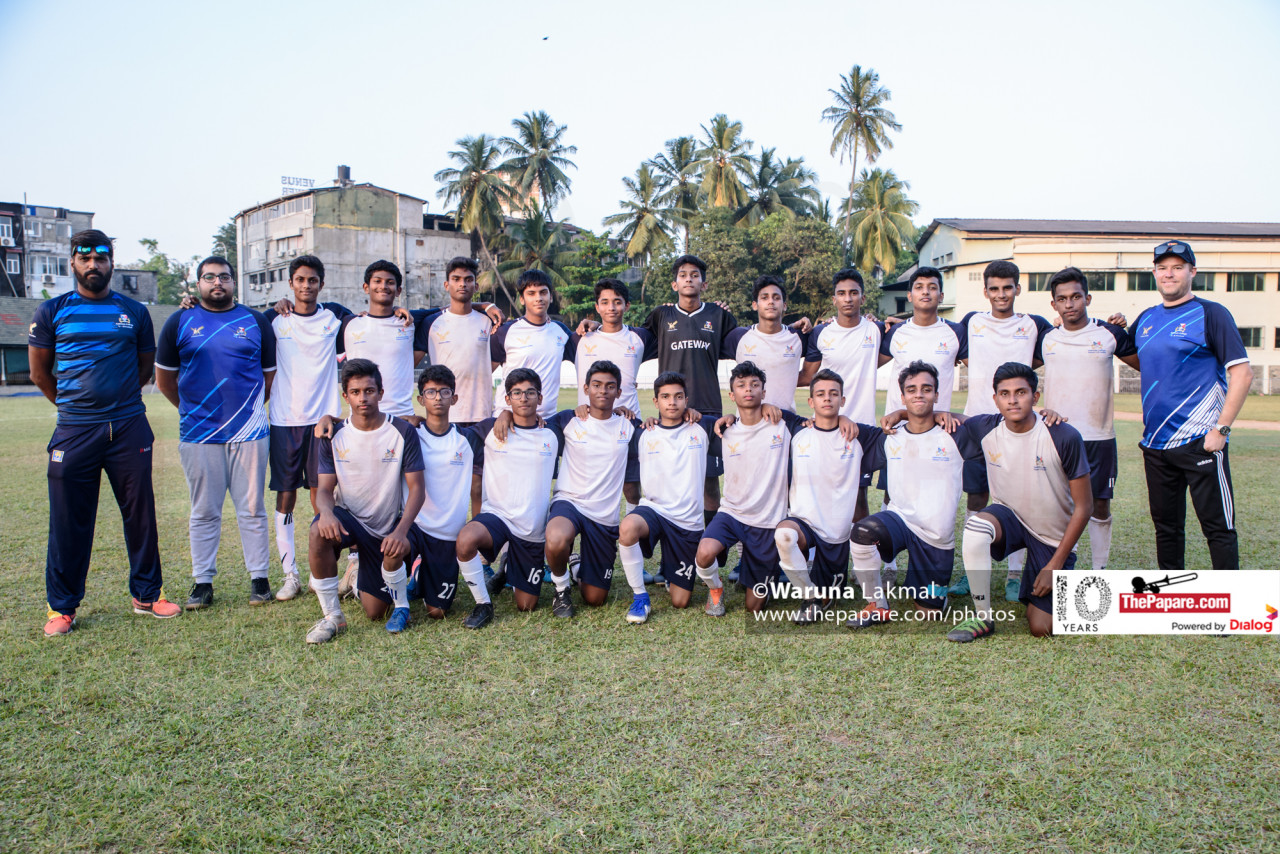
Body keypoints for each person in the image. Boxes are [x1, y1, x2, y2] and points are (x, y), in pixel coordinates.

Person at [28, 229, 178, 636]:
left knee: (140, 514)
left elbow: (144, 368)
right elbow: (39, 373)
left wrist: (116, 404)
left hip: (128, 427)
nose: (93, 264)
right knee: (68, 520)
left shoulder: (134, 311)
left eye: (101, 257)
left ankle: (147, 595)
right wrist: (75, 408)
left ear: (111, 262)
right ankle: (62, 608)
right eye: (85, 257)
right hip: (74, 431)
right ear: (72, 263)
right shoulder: (52, 311)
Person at [155, 255, 277, 609]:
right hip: (198, 433)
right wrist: (193, 411)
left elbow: (268, 376)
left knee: (252, 508)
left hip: (249, 431)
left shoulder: (255, 321)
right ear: (198, 284)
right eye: (209, 277)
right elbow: (165, 380)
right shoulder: (180, 320)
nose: (217, 282)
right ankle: (202, 582)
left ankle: (259, 579)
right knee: (204, 511)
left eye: (224, 276)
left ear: (234, 282)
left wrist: (246, 411)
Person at [1129, 240, 1251, 571]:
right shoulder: (1147, 318)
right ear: (1155, 273)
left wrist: (1221, 429)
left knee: (1218, 530)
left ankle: (1231, 600)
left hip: (1200, 441)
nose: (1169, 274)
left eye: (1177, 267)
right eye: (1162, 268)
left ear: (1192, 271)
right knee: (1166, 530)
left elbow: (1242, 373)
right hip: (1156, 445)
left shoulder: (1211, 314)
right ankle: (1172, 598)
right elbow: (1138, 358)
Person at [949, 362, 1092, 642]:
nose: (1012, 400)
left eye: (1021, 392)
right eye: (1005, 394)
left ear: (1035, 397)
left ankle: (1056, 583)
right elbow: (946, 418)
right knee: (976, 528)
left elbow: (1085, 507)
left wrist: (1054, 566)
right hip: (1010, 519)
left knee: (1041, 627)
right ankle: (982, 617)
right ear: (995, 399)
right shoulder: (985, 427)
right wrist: (901, 413)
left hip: (1051, 536)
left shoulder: (1063, 435)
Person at [694, 362, 847, 616]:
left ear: (763, 392)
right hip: (731, 514)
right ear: (732, 395)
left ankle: (767, 571)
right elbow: (685, 415)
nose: (748, 390)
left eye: (755, 385)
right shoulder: (723, 429)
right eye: (741, 385)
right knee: (704, 553)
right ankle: (715, 588)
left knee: (753, 607)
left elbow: (821, 421)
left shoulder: (783, 423)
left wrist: (844, 418)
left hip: (767, 523)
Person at [844, 361, 976, 630]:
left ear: (936, 395)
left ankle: (934, 596)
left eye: (926, 389)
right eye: (911, 390)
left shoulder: (955, 434)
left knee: (929, 613)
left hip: (936, 538)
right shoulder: (889, 436)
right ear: (902, 397)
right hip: (900, 521)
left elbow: (993, 423)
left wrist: (941, 413)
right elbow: (834, 423)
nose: (919, 394)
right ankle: (877, 604)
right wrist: (846, 419)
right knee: (862, 532)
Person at [305, 359, 425, 643]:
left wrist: (400, 531)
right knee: (318, 530)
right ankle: (332, 617)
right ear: (345, 396)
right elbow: (324, 489)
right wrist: (326, 512)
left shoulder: (402, 432)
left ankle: (369, 575)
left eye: (369, 391)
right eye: (355, 392)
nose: (363, 398)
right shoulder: (333, 435)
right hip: (351, 521)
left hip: (388, 526)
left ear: (381, 392)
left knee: (375, 611)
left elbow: (417, 489)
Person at [955, 260, 1053, 601]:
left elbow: (1055, 346)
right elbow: (939, 334)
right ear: (985, 292)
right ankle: (972, 571)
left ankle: (1014, 574)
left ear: (1017, 289)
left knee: (1018, 498)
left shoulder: (1034, 325)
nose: (1001, 294)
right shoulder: (971, 321)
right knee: (976, 497)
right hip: (977, 424)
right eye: (994, 288)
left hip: (1018, 425)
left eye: (1007, 287)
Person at [1037, 267, 1140, 571]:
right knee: (1058, 504)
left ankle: (1099, 570)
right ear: (1054, 304)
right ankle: (1062, 566)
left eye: (1076, 297)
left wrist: (1128, 326)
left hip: (1099, 437)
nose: (1069, 304)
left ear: (1088, 299)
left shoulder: (1109, 334)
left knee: (1099, 504)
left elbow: (1145, 362)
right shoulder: (1047, 338)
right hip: (1058, 435)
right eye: (1062, 299)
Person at [261, 255, 351, 600]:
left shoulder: (335, 318)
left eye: (312, 280)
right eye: (300, 279)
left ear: (321, 284)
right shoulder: (273, 319)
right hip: (284, 421)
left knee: (321, 496)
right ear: (291, 283)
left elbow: (373, 317)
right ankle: (290, 575)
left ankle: (319, 573)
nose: (306, 285)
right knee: (285, 495)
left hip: (322, 422)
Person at [775, 369, 882, 624]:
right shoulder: (797, 429)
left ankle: (822, 592)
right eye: (820, 394)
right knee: (784, 535)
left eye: (834, 394)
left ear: (842, 400)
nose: (827, 398)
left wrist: (900, 414)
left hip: (836, 534)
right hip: (803, 522)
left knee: (832, 595)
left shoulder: (858, 435)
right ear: (811, 401)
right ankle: (809, 597)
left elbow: (901, 430)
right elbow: (763, 407)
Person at [536, 360, 640, 617]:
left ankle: (576, 566)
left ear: (618, 392)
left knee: (595, 599)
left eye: (610, 386)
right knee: (557, 537)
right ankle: (561, 590)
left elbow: (664, 427)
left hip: (603, 515)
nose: (603, 390)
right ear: (586, 388)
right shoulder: (568, 419)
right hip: (569, 502)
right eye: (596, 385)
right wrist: (505, 415)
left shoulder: (629, 425)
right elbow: (530, 423)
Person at [617, 372, 722, 622]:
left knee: (680, 601)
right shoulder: (643, 431)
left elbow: (740, 423)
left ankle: (697, 580)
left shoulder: (703, 426)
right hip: (654, 511)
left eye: (678, 396)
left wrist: (729, 417)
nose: (672, 402)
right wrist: (617, 409)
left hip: (687, 523)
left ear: (687, 399)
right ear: (656, 402)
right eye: (665, 397)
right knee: (628, 527)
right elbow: (605, 418)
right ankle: (640, 597)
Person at [455, 369, 560, 617]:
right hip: (497, 516)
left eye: (530, 393)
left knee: (526, 605)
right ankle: (483, 603)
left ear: (540, 398)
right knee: (466, 540)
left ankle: (508, 568)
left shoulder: (553, 431)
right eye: (517, 393)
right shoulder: (490, 429)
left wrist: (621, 411)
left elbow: (589, 417)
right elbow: (449, 434)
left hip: (531, 529)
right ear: (507, 398)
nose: (523, 398)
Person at [417, 256, 504, 516]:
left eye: (468, 280)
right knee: (441, 484)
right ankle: (439, 533)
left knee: (477, 485)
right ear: (447, 285)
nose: (462, 284)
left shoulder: (489, 322)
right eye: (456, 279)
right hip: (443, 416)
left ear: (476, 285)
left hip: (479, 414)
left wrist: (486, 306)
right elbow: (411, 358)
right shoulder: (431, 323)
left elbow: (494, 360)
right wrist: (486, 303)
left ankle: (477, 535)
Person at [800, 267, 884, 519]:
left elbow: (906, 338)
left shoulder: (877, 330)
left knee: (858, 496)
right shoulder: (820, 333)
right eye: (842, 293)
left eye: (854, 293)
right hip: (827, 427)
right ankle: (819, 543)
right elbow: (807, 376)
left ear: (863, 298)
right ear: (834, 299)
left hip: (862, 428)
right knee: (822, 491)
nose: (848, 298)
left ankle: (861, 545)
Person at [408, 364, 485, 624]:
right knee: (379, 603)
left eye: (444, 392)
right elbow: (370, 420)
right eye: (430, 392)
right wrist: (330, 419)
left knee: (437, 612)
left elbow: (502, 420)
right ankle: (414, 564)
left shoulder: (468, 438)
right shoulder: (410, 435)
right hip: (415, 527)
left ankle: (420, 572)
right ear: (421, 400)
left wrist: (506, 415)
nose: (438, 398)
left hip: (447, 535)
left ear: (455, 398)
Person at [570, 279, 655, 512]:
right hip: (589, 423)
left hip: (628, 420)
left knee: (631, 486)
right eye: (605, 302)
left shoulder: (640, 337)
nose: (611, 308)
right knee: (590, 485)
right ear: (597, 307)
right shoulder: (580, 337)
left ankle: (632, 527)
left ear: (627, 306)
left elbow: (670, 330)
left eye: (617, 302)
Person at [490, 269, 576, 421]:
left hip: (547, 420)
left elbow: (588, 353)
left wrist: (594, 325)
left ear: (551, 297)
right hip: (508, 420)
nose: (538, 298)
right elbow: (483, 374)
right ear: (522, 299)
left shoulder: (561, 331)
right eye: (531, 293)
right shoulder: (505, 331)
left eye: (543, 292)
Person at [725, 275, 810, 412]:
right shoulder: (739, 337)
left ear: (784, 305)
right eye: (765, 298)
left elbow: (809, 375)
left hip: (786, 421)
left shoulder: (798, 337)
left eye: (776, 298)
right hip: (749, 421)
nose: (771, 302)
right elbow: (707, 349)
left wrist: (830, 320)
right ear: (755, 305)